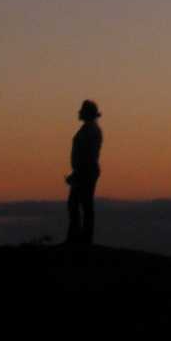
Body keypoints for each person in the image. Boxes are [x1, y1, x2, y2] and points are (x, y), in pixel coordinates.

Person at [65, 98, 103, 246]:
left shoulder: (91, 130)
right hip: (84, 171)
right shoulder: (89, 129)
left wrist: (78, 172)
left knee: (79, 203)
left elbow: (88, 154)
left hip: (86, 171)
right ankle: (79, 238)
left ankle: (81, 239)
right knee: (79, 204)